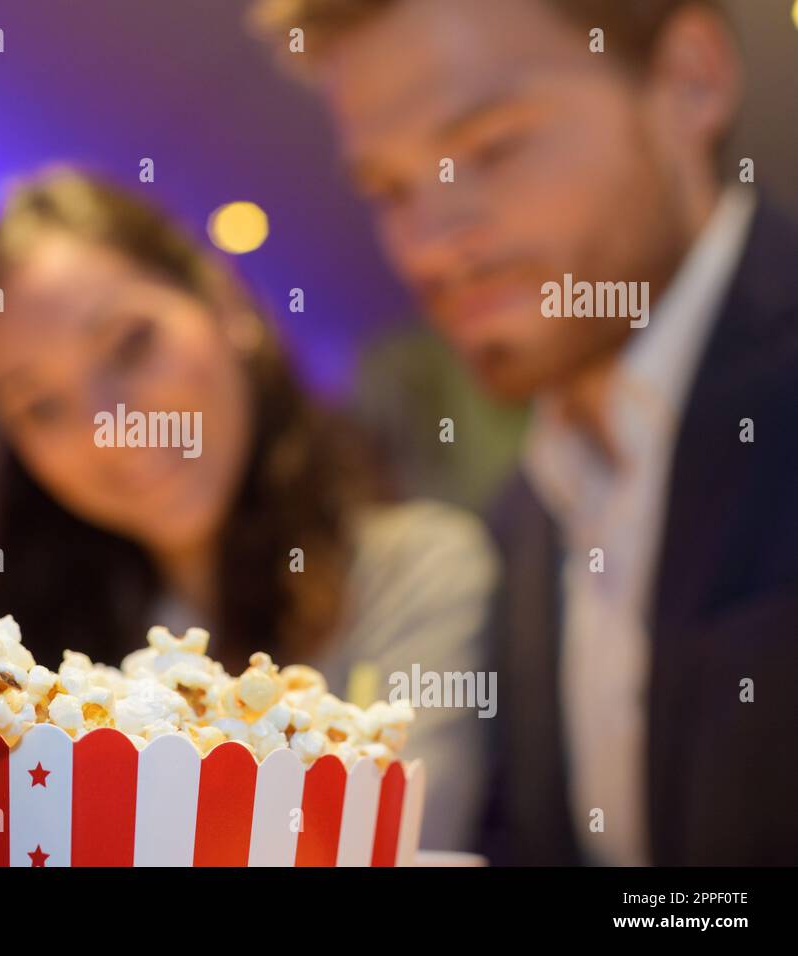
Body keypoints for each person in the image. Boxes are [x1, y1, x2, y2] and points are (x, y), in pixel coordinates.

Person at [251, 0, 798, 864]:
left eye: (491, 148)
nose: (431, 245)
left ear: (691, 82)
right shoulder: (522, 520)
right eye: (389, 189)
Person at [0, 168, 499, 851]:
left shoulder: (416, 573)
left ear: (225, 303)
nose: (110, 429)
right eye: (41, 406)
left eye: (130, 345)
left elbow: (393, 844)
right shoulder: (34, 676)